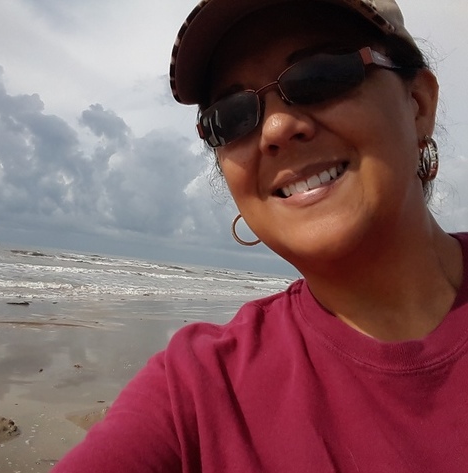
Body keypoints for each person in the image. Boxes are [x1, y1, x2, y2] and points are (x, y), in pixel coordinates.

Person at [53, 0, 468, 471]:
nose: (276, 128)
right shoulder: (199, 388)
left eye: (320, 76)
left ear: (418, 104)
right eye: (230, 117)